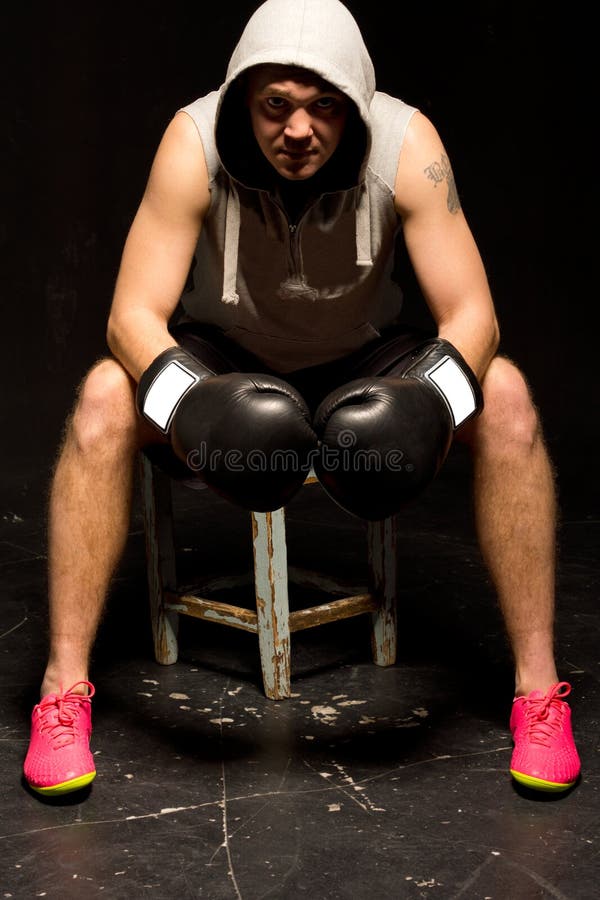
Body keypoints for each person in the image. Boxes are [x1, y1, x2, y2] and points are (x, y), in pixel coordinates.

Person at [23, 0, 580, 798]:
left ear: (354, 106)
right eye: (275, 106)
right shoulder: (193, 142)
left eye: (322, 108)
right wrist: (193, 405)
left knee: (512, 398)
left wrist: (428, 401)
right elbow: (131, 319)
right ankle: (62, 693)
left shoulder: (406, 144)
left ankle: (537, 692)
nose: (297, 130)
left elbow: (474, 317)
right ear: (244, 100)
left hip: (362, 353)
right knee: (104, 398)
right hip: (226, 356)